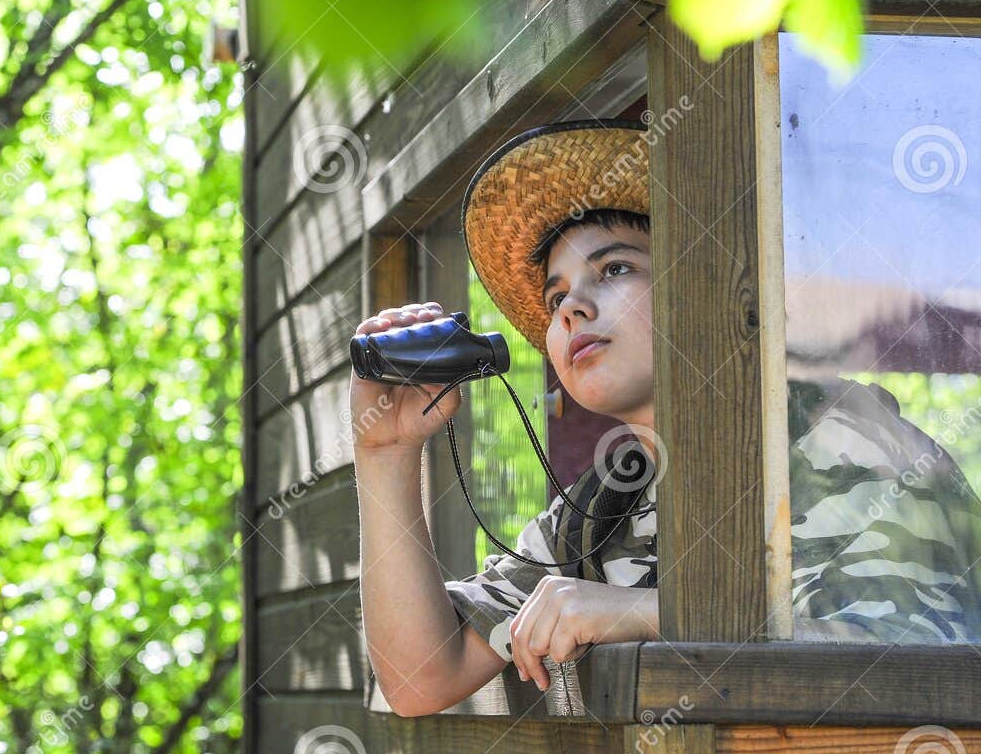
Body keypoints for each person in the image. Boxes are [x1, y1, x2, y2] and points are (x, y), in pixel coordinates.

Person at [352, 120, 981, 719]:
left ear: (705, 283)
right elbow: (420, 677)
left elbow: (908, 653)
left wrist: (640, 613)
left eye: (615, 268)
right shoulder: (604, 502)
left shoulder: (842, 432)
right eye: (555, 296)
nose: (571, 305)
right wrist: (385, 454)